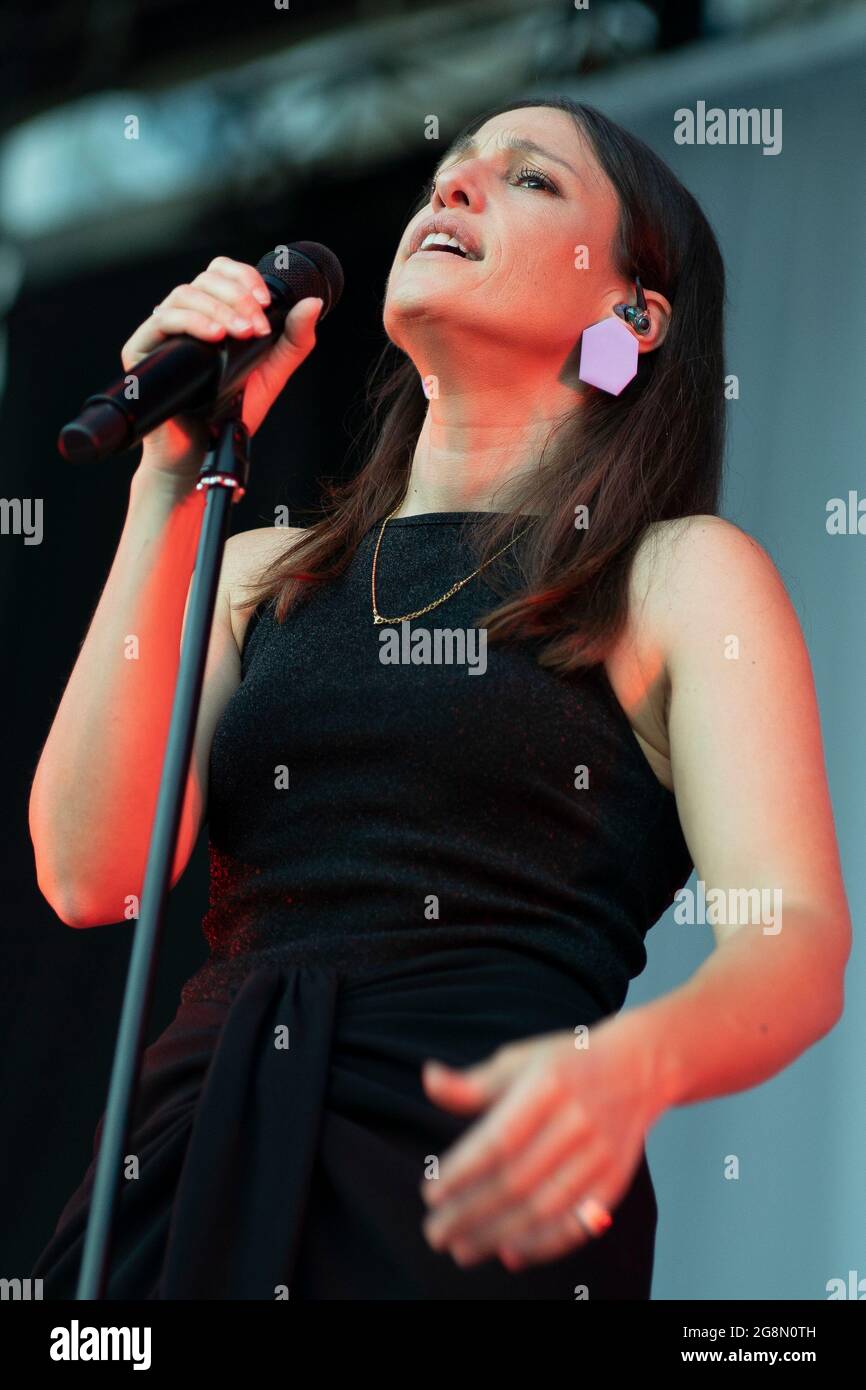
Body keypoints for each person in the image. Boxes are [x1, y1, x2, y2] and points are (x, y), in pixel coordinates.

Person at [29, 97, 850, 1300]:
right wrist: (167, 484)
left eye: (526, 180)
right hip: (195, 1151)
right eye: (447, 173)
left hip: (477, 1172)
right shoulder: (261, 567)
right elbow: (89, 871)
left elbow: (793, 940)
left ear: (629, 311)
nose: (452, 190)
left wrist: (627, 1069)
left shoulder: (674, 576)